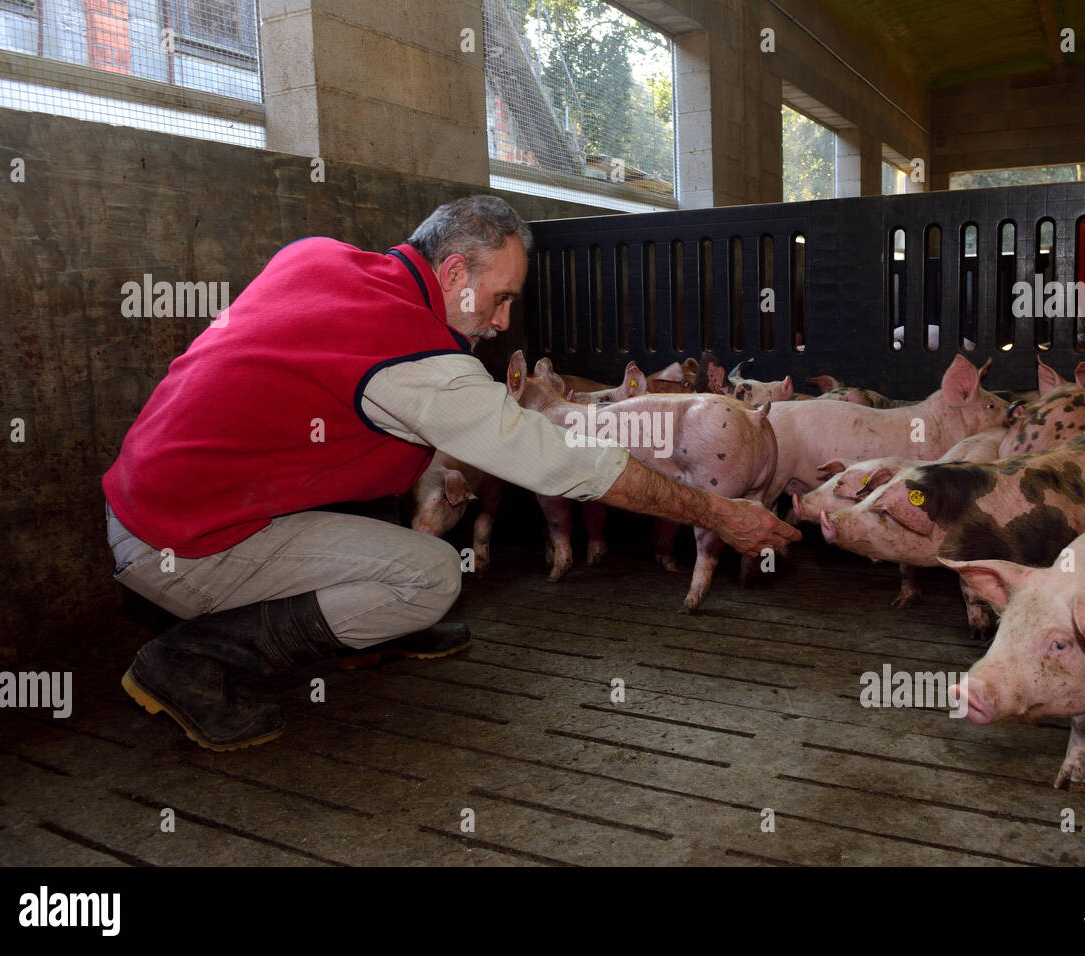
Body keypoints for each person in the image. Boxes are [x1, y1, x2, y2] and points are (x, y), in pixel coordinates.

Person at [103, 195, 799, 752]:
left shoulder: (318, 257)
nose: (501, 323)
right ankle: (192, 661)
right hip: (182, 542)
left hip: (159, 491)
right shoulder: (416, 361)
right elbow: (567, 465)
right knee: (431, 577)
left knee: (399, 525)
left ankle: (368, 633)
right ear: (455, 273)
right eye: (498, 300)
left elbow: (350, 411)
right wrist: (717, 513)